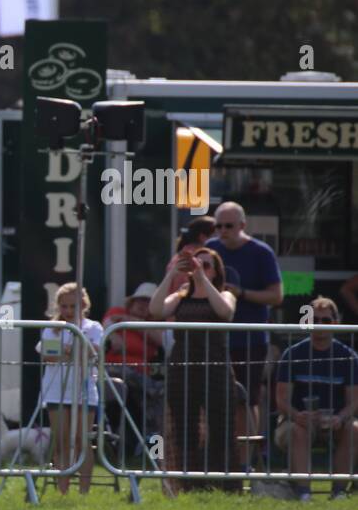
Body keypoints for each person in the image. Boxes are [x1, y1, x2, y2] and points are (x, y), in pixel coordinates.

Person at [150, 246, 237, 492]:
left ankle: (221, 484)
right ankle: (188, 484)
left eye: (207, 265)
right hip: (183, 367)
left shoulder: (226, 294)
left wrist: (203, 280)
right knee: (185, 427)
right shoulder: (181, 295)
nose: (200, 268)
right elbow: (156, 310)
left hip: (216, 367)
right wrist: (172, 275)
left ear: (216, 271)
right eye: (196, 264)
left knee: (220, 426)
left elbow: (225, 312)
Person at [207, 201, 283, 467]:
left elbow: (276, 296)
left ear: (242, 225)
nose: (223, 231)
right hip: (214, 339)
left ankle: (248, 459)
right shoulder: (211, 250)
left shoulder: (261, 252)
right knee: (214, 399)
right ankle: (216, 458)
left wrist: (242, 294)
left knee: (248, 398)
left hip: (249, 339)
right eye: (218, 226)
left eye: (228, 226)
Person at [272, 296, 357, 500]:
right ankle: (304, 494)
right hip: (295, 422)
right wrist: (297, 415)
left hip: (334, 423)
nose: (319, 324)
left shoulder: (349, 357)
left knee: (354, 429)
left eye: (326, 320)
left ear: (336, 322)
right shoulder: (292, 354)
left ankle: (338, 493)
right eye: (314, 319)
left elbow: (354, 401)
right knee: (297, 430)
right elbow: (281, 400)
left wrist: (340, 418)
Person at [37, 283, 104, 495]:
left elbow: (94, 351)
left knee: (82, 440)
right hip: (56, 390)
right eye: (63, 306)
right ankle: (62, 491)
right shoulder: (52, 327)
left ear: (83, 305)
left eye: (72, 306)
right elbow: (47, 354)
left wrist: (70, 351)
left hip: (84, 390)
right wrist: (72, 352)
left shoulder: (93, 327)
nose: (67, 311)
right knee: (62, 440)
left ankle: (84, 492)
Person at [102, 283, 166, 454]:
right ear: (132, 302)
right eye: (140, 300)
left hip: (140, 376)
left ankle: (155, 452)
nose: (143, 305)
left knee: (160, 399)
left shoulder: (154, 325)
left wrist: (132, 322)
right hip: (113, 370)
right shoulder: (116, 312)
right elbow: (109, 335)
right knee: (156, 393)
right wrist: (116, 333)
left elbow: (161, 341)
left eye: (148, 302)